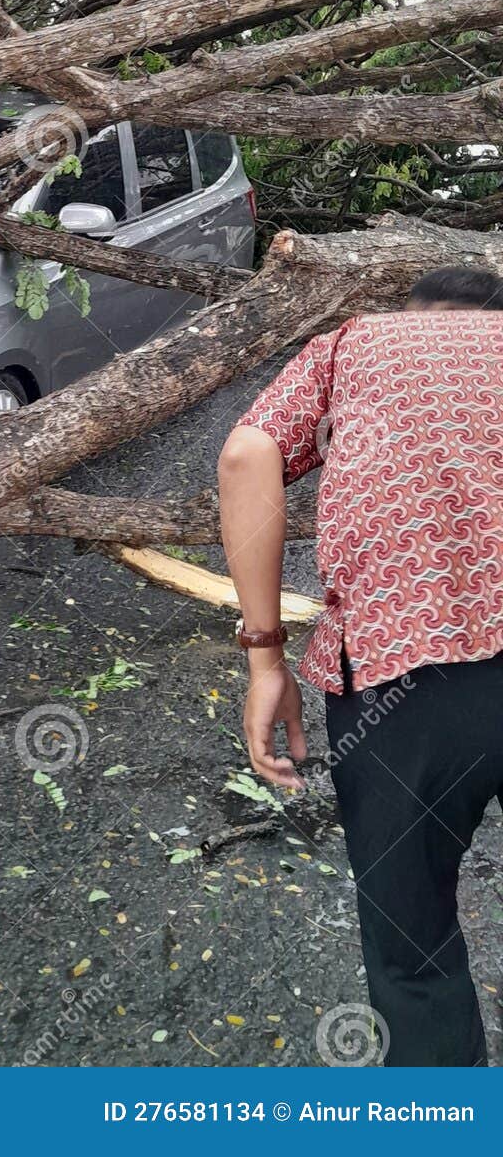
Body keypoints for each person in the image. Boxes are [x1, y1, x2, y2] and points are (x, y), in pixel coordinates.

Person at [218, 266, 503, 1068]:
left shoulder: (354, 342)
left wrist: (265, 656)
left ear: (412, 316)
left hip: (398, 675)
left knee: (413, 950)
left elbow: (246, 455)